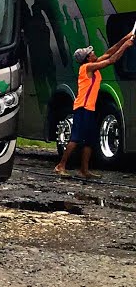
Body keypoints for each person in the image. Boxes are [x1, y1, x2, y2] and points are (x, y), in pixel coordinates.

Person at [55, 32, 133, 178]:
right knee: (75, 138)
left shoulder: (92, 66)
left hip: (89, 109)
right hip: (82, 108)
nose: (94, 53)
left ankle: (84, 170)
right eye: (92, 53)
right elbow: (112, 60)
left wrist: (127, 37)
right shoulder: (87, 68)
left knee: (90, 141)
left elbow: (110, 51)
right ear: (87, 58)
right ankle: (60, 165)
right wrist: (126, 47)